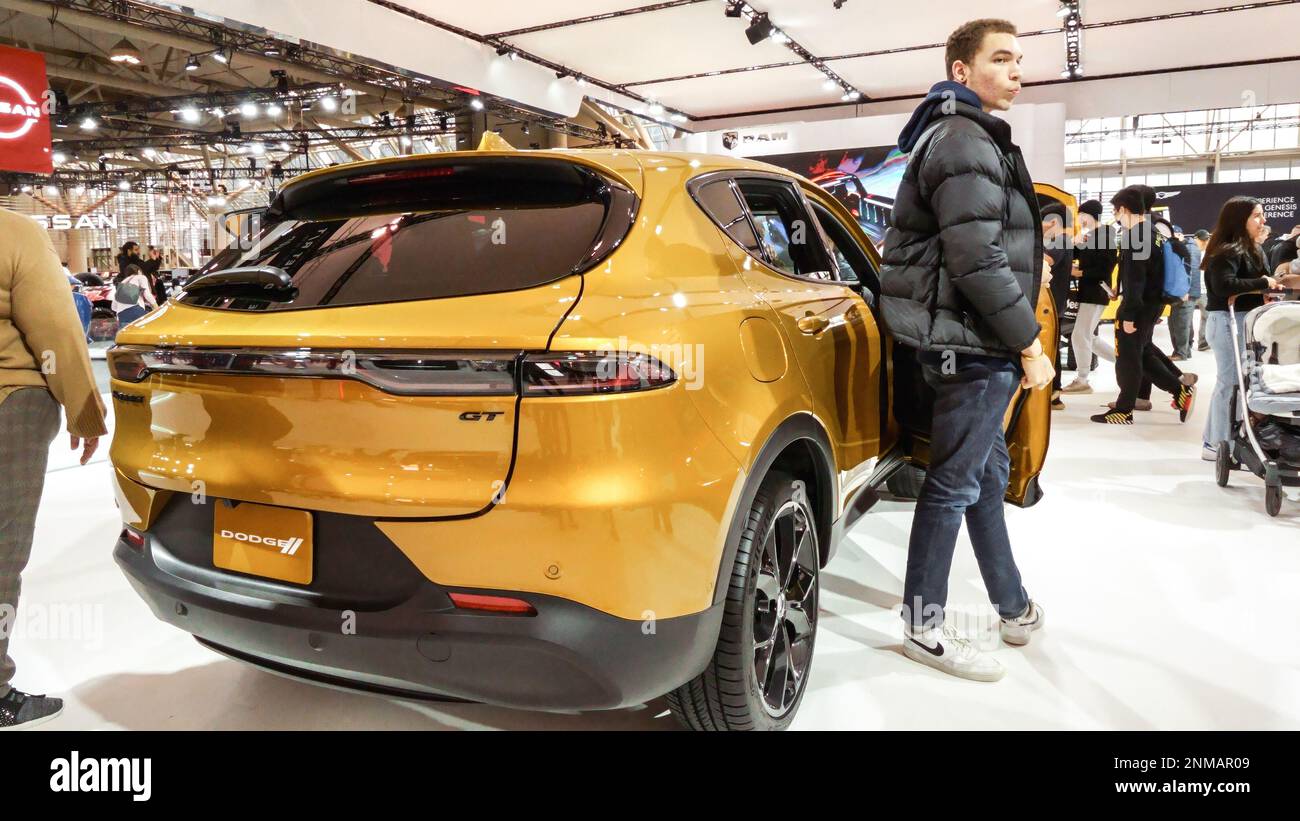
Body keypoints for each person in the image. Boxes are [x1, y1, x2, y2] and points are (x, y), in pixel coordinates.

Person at [880, 18, 1050, 682]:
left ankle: (1012, 605)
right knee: (952, 484)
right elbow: (979, 261)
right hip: (973, 346)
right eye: (1001, 59)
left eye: (1019, 59)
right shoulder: (963, 140)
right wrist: (1029, 342)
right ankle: (924, 625)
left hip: (968, 343)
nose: (1016, 70)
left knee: (979, 477)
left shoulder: (962, 135)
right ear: (961, 71)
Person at [1, 206, 107, 729]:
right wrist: (85, 409)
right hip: (9, 406)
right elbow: (56, 328)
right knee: (2, 554)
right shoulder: (14, 232)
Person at [1092, 185, 1195, 425]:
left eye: (1116, 211)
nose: (1116, 217)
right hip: (1151, 304)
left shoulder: (1136, 235)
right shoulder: (1153, 233)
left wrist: (1128, 314)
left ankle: (1124, 409)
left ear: (1124, 209)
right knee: (1143, 353)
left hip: (1138, 307)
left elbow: (1136, 279)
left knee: (1128, 357)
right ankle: (1179, 390)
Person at [1200, 197, 1283, 461]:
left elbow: (1249, 282)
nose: (1263, 220)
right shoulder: (1226, 250)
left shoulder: (1253, 249)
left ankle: (1224, 441)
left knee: (1239, 382)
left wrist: (1267, 288)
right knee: (1230, 382)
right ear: (1240, 219)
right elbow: (1224, 285)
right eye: (1257, 215)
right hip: (1226, 320)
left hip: (1244, 321)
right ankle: (1216, 443)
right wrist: (1262, 282)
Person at [1061, 199, 1117, 394]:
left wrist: (1080, 273)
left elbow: (1106, 266)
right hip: (1088, 292)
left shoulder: (1106, 235)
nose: (1080, 219)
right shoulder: (1091, 236)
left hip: (1095, 292)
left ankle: (1082, 379)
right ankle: (1126, 363)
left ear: (1092, 215)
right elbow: (1074, 254)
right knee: (1088, 338)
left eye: (1082, 215)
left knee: (1080, 335)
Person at [1164, 223, 1196, 360]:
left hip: (1184, 292)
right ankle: (1182, 351)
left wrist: (1186, 290)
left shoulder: (1183, 248)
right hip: (1180, 291)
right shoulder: (1177, 247)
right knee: (1177, 323)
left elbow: (1190, 271)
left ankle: (1182, 353)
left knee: (1181, 324)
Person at [112, 262, 158, 327]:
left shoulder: (122, 283)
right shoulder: (140, 277)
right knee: (145, 332)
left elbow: (113, 306)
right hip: (135, 310)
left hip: (121, 315)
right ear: (139, 271)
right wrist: (156, 307)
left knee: (129, 336)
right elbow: (147, 294)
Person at [1193, 229, 1212, 350]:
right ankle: (1187, 343)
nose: (1205, 242)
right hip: (1191, 290)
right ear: (1196, 239)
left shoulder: (1209, 254)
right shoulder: (1190, 252)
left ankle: (1203, 342)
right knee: (1186, 320)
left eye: (1206, 240)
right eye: (1203, 240)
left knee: (1207, 317)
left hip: (1205, 290)